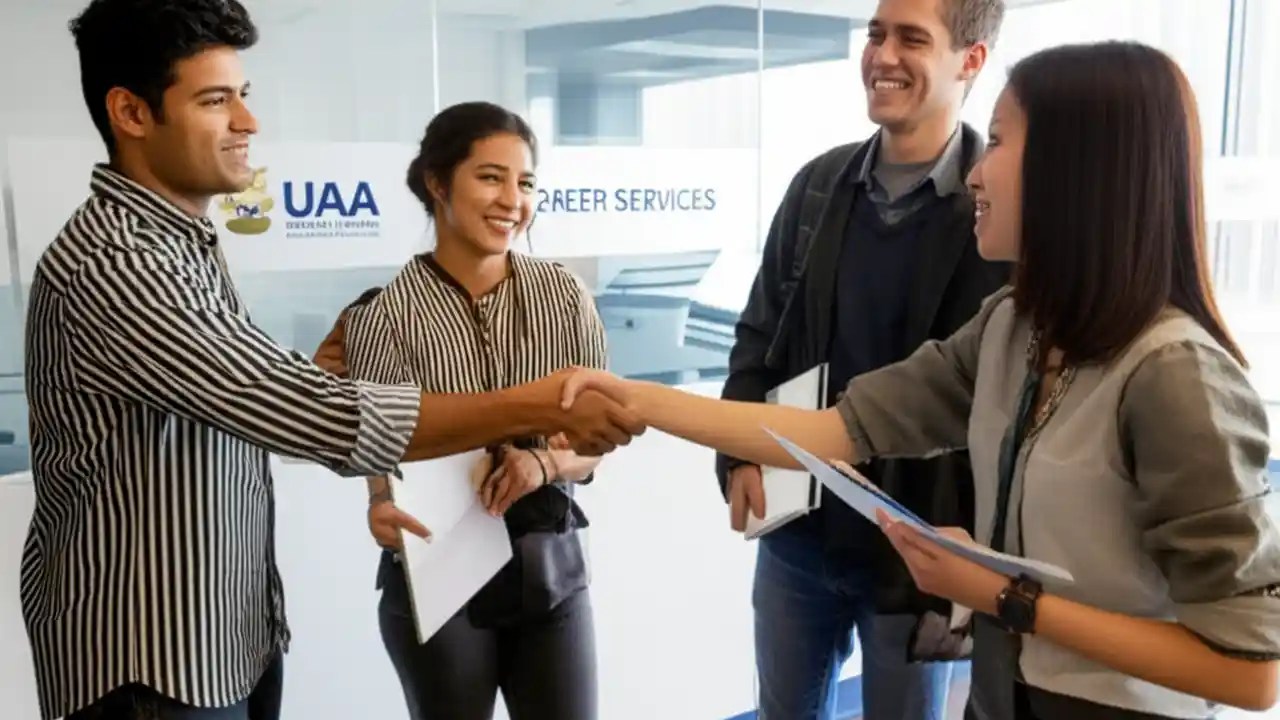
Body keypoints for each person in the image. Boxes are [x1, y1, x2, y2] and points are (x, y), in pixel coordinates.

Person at [563, 40, 1280, 719]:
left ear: (1073, 172)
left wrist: (1005, 598)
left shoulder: (1174, 373)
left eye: (997, 142)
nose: (975, 173)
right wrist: (636, 399)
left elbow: (1248, 669)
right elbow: (829, 432)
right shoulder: (1010, 330)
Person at [21, 3, 642, 720]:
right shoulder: (120, 263)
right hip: (153, 659)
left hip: (223, 638)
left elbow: (248, 399)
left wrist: (545, 458)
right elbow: (319, 417)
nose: (248, 121)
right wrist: (537, 403)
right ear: (131, 112)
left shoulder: (182, 247)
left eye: (243, 95)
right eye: (215, 101)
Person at [716, 0, 1008, 716]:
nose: (882, 56)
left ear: (970, 60)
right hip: (798, 533)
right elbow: (759, 335)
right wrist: (738, 455)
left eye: (911, 39)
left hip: (919, 548)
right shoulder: (819, 186)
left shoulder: (997, 209)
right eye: (876, 34)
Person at [311, 102, 605, 720]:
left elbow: (594, 441)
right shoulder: (381, 315)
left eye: (525, 183)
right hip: (437, 573)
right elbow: (384, 456)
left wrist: (545, 465)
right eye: (491, 177)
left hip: (550, 570)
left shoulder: (565, 295)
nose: (512, 201)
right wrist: (378, 504)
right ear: (438, 183)